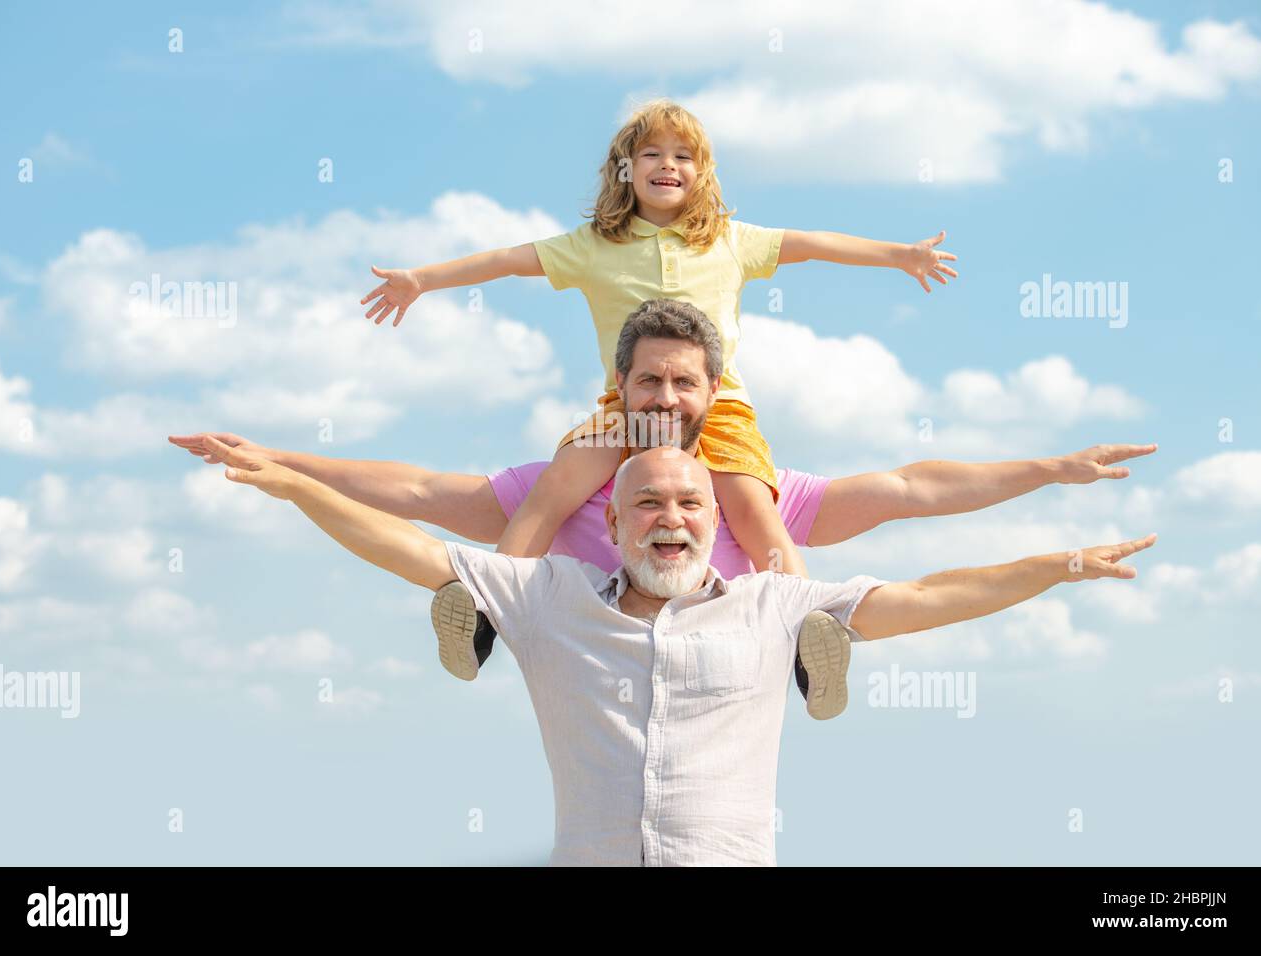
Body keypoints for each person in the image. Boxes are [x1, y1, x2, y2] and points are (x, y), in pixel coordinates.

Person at [193, 437, 1155, 866]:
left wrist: (1058, 562)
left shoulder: (776, 605)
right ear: (609, 523)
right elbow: (406, 536)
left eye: (692, 502)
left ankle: (827, 674)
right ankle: (469, 630)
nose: (671, 516)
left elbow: (927, 593)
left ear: (717, 520)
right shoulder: (550, 596)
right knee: (461, 585)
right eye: (647, 502)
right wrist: (293, 484)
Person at [171, 306, 1156, 720]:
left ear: (712, 390)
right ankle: (478, 626)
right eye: (649, 379)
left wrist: (1047, 468)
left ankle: (812, 643)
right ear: (620, 381)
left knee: (787, 578)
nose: (667, 397)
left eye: (686, 382)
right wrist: (284, 460)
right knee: (519, 536)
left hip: (717, 680)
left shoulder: (739, 476)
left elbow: (907, 490)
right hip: (591, 662)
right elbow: (425, 493)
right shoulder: (583, 465)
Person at [358, 100, 958, 665]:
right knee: (558, 483)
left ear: (702, 173)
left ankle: (808, 633)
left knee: (752, 508)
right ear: (625, 168)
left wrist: (898, 255)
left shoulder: (727, 238)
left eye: (683, 156)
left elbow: (812, 244)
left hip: (714, 411)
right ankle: (486, 607)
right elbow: (507, 260)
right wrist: (422, 280)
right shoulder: (593, 246)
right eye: (650, 154)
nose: (667, 165)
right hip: (631, 408)